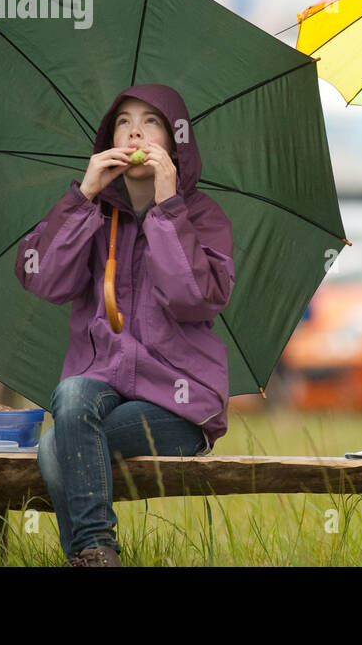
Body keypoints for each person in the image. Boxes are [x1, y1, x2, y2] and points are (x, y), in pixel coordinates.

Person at [16, 85, 234, 566]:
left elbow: (194, 297)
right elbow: (42, 278)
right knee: (71, 395)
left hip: (179, 404)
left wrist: (168, 206)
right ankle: (99, 552)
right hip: (99, 388)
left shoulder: (203, 217)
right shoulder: (92, 214)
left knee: (56, 450)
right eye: (123, 121)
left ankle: (90, 554)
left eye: (152, 121)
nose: (135, 129)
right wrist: (84, 195)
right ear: (107, 139)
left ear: (176, 143)